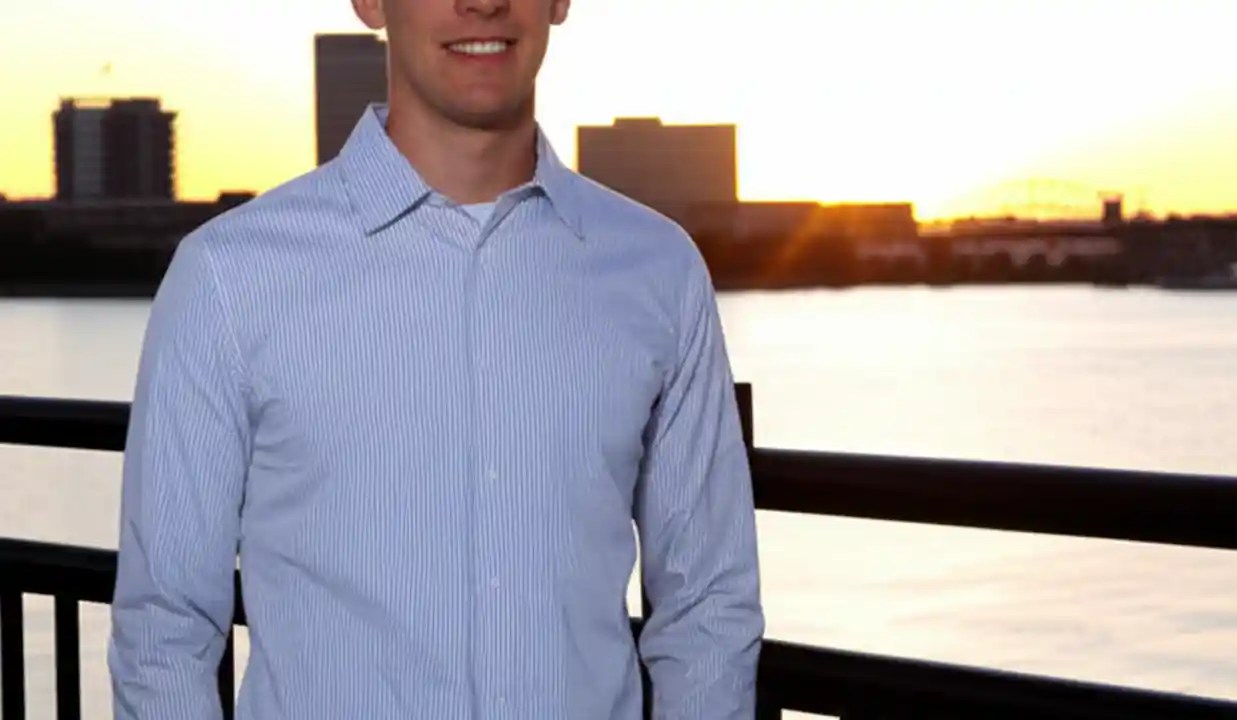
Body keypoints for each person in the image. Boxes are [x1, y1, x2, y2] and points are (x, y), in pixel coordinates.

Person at [107, 0, 763, 717]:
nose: (482, 2)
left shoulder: (659, 273)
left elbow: (709, 608)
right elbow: (163, 630)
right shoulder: (228, 280)